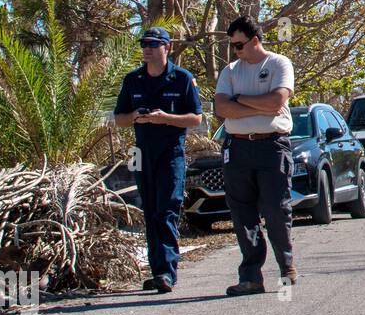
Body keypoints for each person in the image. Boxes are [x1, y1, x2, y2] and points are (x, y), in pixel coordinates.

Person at [113, 27, 203, 294]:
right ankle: (158, 271)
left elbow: (196, 119)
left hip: (171, 152)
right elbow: (119, 119)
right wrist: (136, 116)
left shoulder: (182, 78)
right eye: (144, 44)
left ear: (167, 47)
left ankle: (166, 271)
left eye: (153, 44)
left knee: (167, 209)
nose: (147, 48)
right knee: (150, 212)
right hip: (141, 153)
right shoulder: (133, 80)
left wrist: (166, 118)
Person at [214, 15, 297, 296]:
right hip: (236, 148)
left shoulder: (278, 63)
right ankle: (250, 277)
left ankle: (286, 267)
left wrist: (240, 100)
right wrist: (254, 105)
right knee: (242, 214)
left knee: (276, 209)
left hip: (272, 146)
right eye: (232, 46)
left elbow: (277, 102)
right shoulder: (230, 71)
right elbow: (222, 109)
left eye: (239, 45)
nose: (235, 51)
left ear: (255, 40)